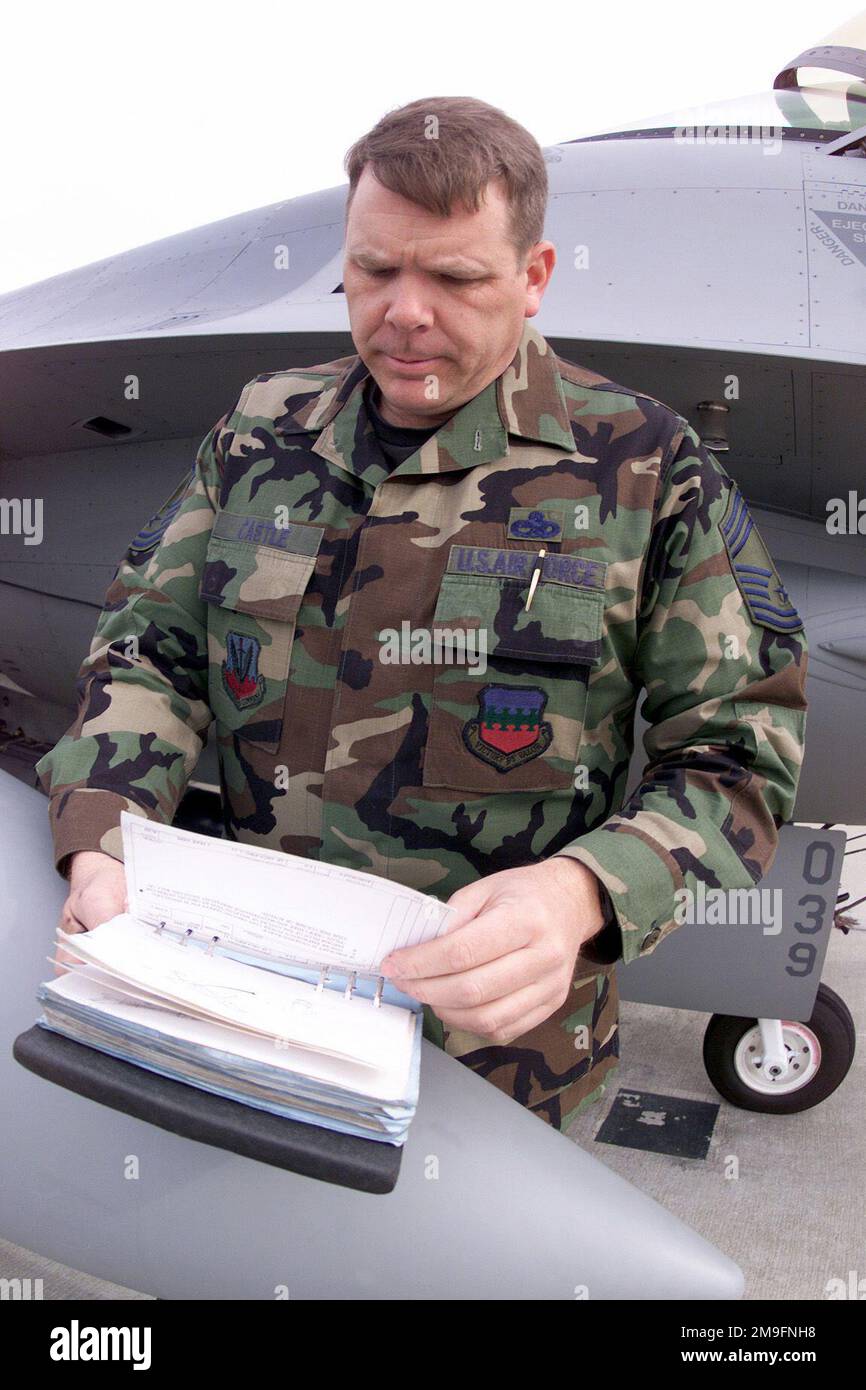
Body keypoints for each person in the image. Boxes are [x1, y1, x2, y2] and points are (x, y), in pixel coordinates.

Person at [36, 95, 809, 1131]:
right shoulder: (262, 429)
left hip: (491, 1061)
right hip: (224, 1007)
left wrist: (581, 892)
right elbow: (148, 653)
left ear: (530, 278)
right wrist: (102, 840)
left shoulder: (643, 467)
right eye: (372, 269)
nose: (403, 311)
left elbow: (737, 753)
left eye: (452, 277)